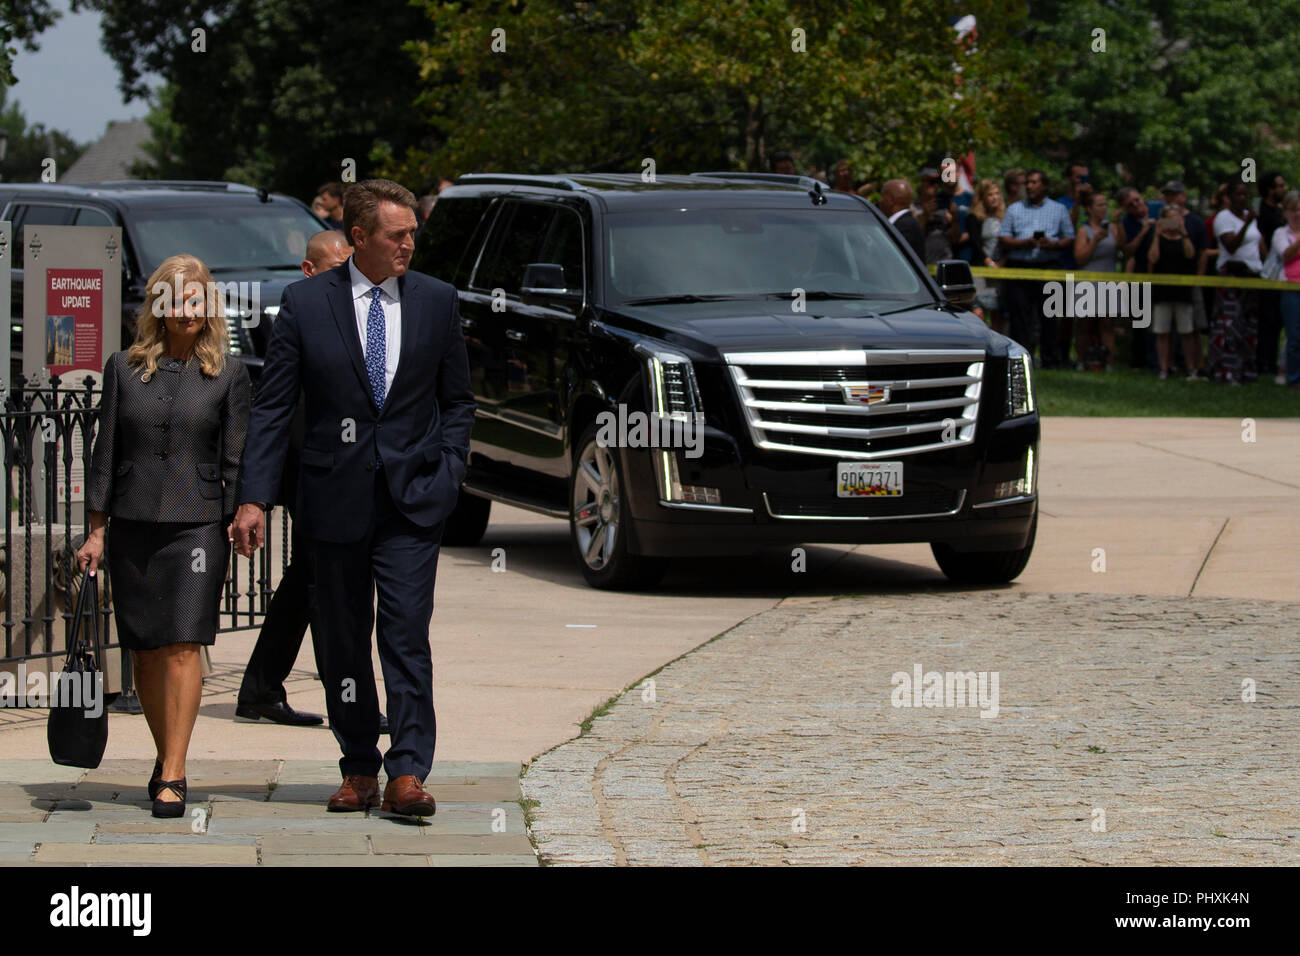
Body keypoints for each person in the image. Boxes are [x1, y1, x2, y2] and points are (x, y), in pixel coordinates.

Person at [232, 179, 476, 817]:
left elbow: (458, 402)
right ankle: (359, 766)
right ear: (359, 237)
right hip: (333, 500)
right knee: (341, 641)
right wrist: (254, 498)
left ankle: (408, 772)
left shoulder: (437, 301)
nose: (409, 245)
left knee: (404, 635)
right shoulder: (306, 304)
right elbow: (273, 407)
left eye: (412, 235)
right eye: (397, 236)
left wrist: (449, 469)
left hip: (412, 501)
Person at [77, 253, 251, 817]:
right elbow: (105, 453)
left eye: (196, 298)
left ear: (209, 307)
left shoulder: (229, 372)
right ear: (157, 305)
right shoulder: (123, 368)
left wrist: (240, 515)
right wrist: (96, 532)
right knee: (146, 651)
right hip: (131, 524)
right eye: (174, 299)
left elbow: (235, 458)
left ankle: (175, 770)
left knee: (182, 645)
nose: (186, 310)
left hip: (199, 525)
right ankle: (164, 755)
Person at [235, 230, 378, 728]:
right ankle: (350, 699)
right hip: (311, 466)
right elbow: (275, 406)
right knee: (326, 582)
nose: (345, 275)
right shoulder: (302, 310)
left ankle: (261, 687)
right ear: (308, 269)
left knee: (307, 579)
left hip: (346, 468)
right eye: (334, 267)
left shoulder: (361, 307)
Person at [998, 169, 1075, 365]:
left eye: (1034, 182)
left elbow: (1069, 238)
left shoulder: (1058, 209)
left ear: (1045, 186)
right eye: (1028, 183)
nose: (1030, 186)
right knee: (1020, 317)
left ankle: (1050, 359)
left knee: (1049, 316)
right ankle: (1020, 359)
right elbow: (1004, 237)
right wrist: (1024, 243)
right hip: (1020, 267)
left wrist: (1054, 244)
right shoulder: (1014, 209)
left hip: (1048, 267)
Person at [1208, 181, 1264, 384]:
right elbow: (1230, 246)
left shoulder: (1249, 216)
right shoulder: (1223, 218)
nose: (1243, 198)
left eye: (1245, 194)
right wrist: (1247, 223)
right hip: (1231, 273)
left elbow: (1258, 243)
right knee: (1229, 324)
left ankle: (1246, 371)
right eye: (1238, 194)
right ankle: (1225, 371)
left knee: (1249, 324)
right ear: (1229, 197)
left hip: (1252, 274)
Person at [1147, 205, 1201, 379]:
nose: (1173, 222)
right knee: (1162, 332)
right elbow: (1152, 259)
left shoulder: (1185, 238)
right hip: (1162, 293)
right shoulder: (1157, 238)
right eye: (1169, 218)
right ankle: (1164, 368)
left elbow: (1190, 255)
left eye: (1176, 218)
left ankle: (1191, 368)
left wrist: (1183, 233)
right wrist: (1156, 234)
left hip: (1183, 293)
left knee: (1187, 332)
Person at [1072, 189, 1122, 370]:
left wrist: (1119, 223)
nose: (1104, 208)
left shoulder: (1113, 229)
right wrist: (1095, 241)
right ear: (1090, 209)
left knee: (1107, 323)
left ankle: (1108, 363)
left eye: (1105, 205)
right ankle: (1081, 361)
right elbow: (1080, 258)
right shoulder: (1083, 231)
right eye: (1100, 205)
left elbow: (1125, 248)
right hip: (1087, 281)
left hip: (1109, 281)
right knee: (1084, 324)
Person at [1256, 171, 1287, 380]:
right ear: (1269, 190)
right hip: (1270, 274)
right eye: (1279, 186)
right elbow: (1261, 242)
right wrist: (1270, 266)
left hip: (1283, 276)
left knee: (1278, 322)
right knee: (1268, 322)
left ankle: (1273, 362)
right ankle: (1264, 363)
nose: (1283, 189)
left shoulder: (1279, 211)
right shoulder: (1264, 213)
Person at [1267, 190, 1300, 388]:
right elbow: (1286, 255)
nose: (1297, 214)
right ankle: (1294, 378)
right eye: (1293, 210)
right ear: (1286, 212)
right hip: (1290, 287)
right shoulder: (1281, 234)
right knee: (1294, 336)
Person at [968, 178, 1006, 333]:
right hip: (980, 270)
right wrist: (989, 262)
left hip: (1001, 271)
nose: (994, 197)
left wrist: (1002, 263)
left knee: (998, 312)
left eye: (997, 193)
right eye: (990, 194)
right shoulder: (974, 217)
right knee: (978, 312)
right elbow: (975, 243)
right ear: (982, 197)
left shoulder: (1005, 216)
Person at [879, 179, 925, 261]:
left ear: (891, 200)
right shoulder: (907, 223)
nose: (880, 201)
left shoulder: (905, 226)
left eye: (882, 196)